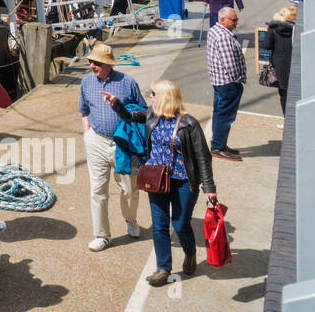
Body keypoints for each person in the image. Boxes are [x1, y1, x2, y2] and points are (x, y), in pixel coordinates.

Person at [109, 80, 217, 287]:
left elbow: (203, 157)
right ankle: (163, 268)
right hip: (155, 178)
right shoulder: (151, 114)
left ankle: (190, 253)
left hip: (183, 182)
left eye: (153, 93)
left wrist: (209, 188)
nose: (150, 96)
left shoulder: (189, 124)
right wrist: (116, 103)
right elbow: (129, 117)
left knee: (180, 224)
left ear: (165, 97)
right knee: (159, 226)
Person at [77, 44, 144, 251]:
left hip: (122, 144)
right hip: (96, 140)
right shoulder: (86, 82)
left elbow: (143, 112)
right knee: (97, 190)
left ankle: (130, 220)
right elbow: (84, 110)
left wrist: (119, 106)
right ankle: (102, 235)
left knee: (129, 189)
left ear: (108, 64)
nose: (92, 65)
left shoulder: (127, 83)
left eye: (96, 62)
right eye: (90, 61)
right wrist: (87, 131)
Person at [206, 6, 247, 161]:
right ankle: (218, 146)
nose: (237, 22)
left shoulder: (215, 31)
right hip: (228, 83)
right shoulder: (224, 37)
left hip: (219, 81)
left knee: (219, 113)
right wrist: (238, 79)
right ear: (223, 20)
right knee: (225, 116)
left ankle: (219, 143)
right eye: (234, 20)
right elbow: (230, 64)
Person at [261, 5, 296, 123]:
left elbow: (266, 45)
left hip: (279, 65)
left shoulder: (273, 28)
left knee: (284, 93)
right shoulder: (296, 29)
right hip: (294, 62)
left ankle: (287, 120)